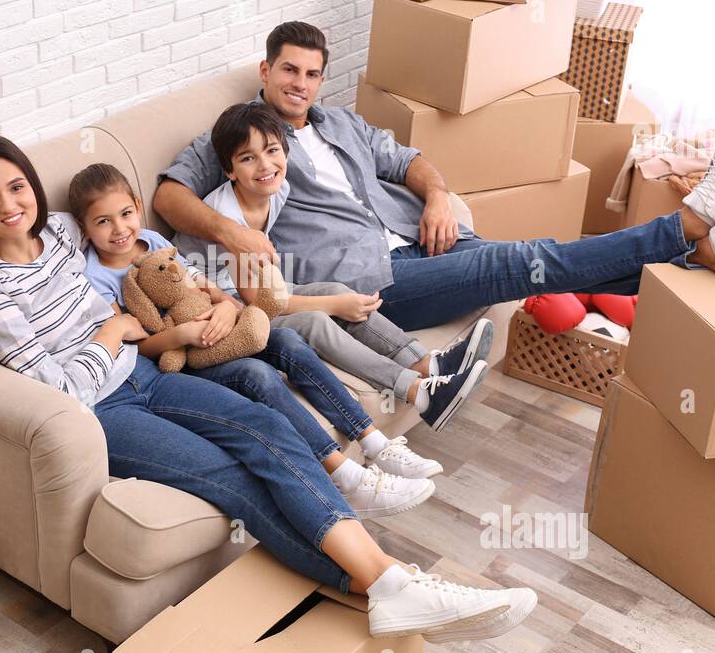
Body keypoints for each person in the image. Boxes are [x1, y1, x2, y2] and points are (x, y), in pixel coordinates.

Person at [0, 135, 539, 643]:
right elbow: (56, 389)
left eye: (16, 186)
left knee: (264, 426)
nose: (9, 204)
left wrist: (192, 301)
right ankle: (388, 583)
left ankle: (390, 583)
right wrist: (114, 333)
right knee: (231, 476)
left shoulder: (65, 232)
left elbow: (130, 229)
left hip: (152, 373)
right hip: (103, 412)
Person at [152, 21, 715, 334]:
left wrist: (438, 195)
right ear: (265, 70)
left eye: (312, 74)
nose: (299, 85)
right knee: (528, 259)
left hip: (420, 239)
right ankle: (689, 224)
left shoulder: (342, 123)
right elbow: (169, 195)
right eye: (289, 71)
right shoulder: (242, 137)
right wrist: (235, 237)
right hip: (372, 278)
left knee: (547, 259)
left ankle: (701, 258)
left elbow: (409, 160)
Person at [68, 160, 444, 514]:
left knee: (289, 343)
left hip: (222, 330)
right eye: (103, 222)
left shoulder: (151, 241)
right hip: (179, 362)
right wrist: (181, 334)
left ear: (136, 206)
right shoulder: (95, 278)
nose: (119, 229)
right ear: (85, 228)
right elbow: (135, 348)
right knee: (256, 375)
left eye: (125, 214)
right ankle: (344, 474)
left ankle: (374, 442)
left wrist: (227, 308)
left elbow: (203, 288)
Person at [173, 100, 494, 433]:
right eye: (247, 158)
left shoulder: (278, 188)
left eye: (271, 151)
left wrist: (338, 294)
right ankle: (420, 393)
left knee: (339, 291)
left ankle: (430, 363)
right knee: (317, 318)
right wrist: (333, 305)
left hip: (253, 288)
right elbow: (259, 301)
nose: (264, 165)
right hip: (216, 306)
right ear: (229, 170)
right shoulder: (229, 222)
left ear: (286, 151)